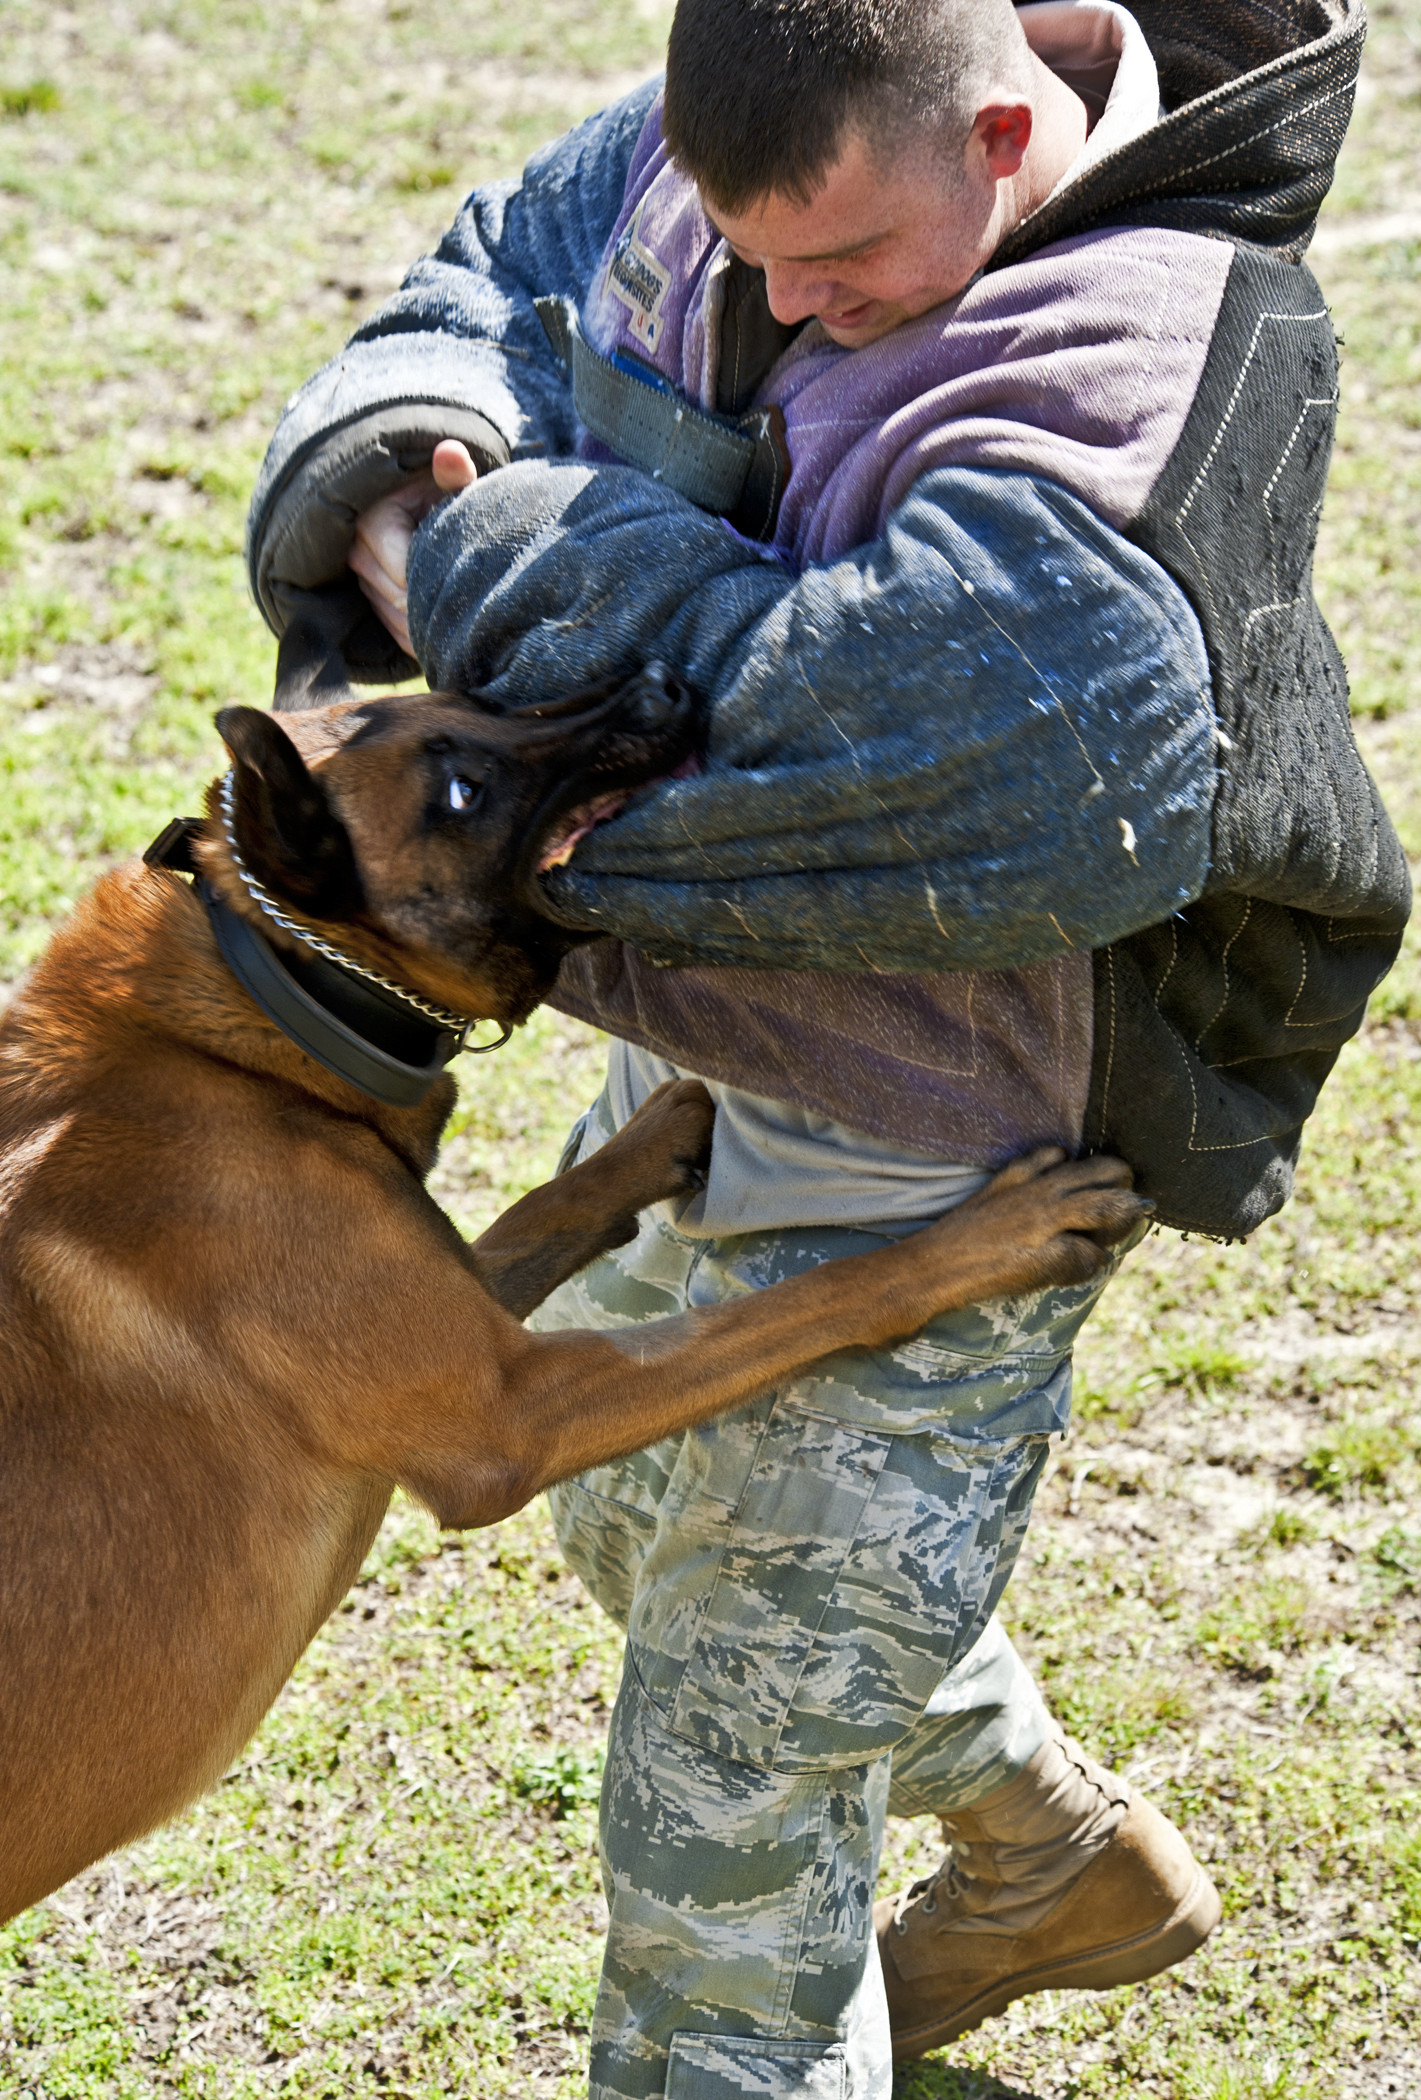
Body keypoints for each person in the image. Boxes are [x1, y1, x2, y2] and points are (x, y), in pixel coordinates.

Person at [245, 0, 1406, 2094]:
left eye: (838, 268)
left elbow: (966, 781)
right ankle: (1046, 1848)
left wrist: (477, 554)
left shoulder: (1147, 354)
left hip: (943, 1125)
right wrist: (388, 470)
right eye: (744, 251)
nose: (780, 307)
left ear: (994, 134)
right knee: (627, 1520)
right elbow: (489, 274)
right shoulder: (779, 141)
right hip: (700, 1069)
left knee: (725, 1861)